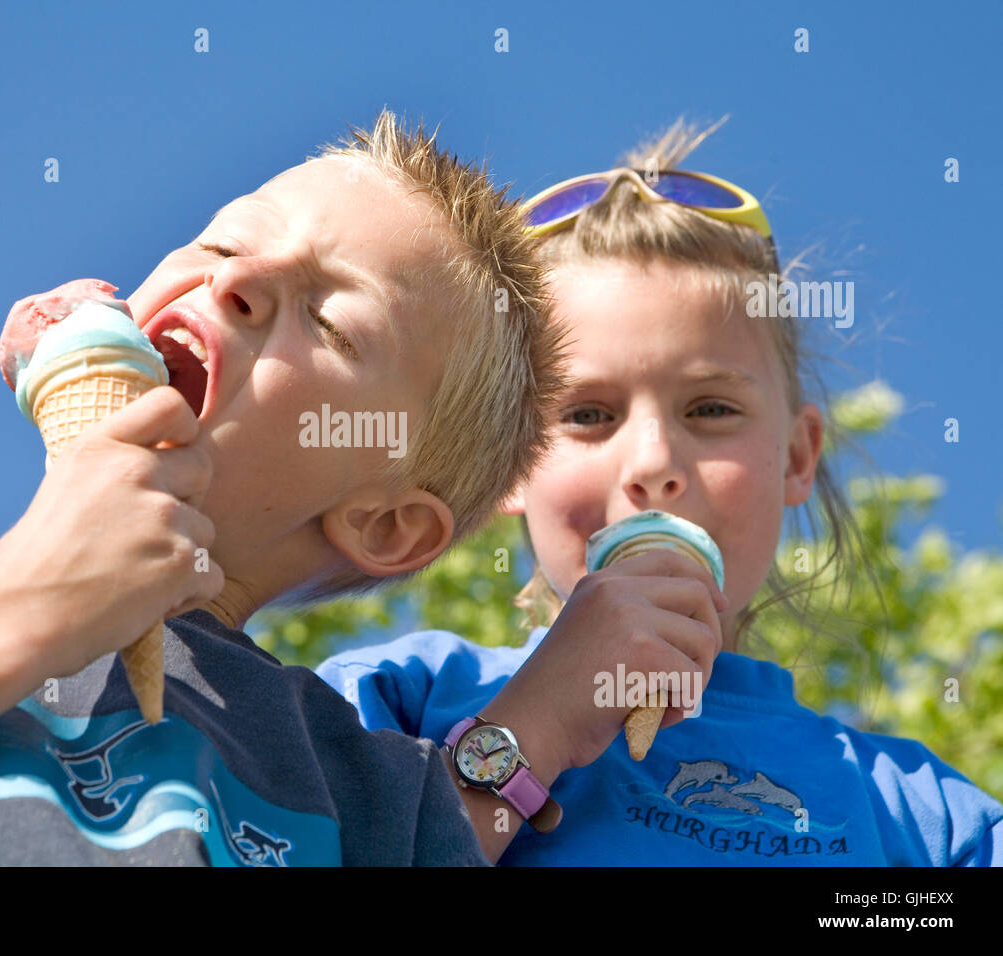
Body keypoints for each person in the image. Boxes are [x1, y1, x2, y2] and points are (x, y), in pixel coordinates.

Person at [0, 110, 567, 866]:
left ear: (383, 523)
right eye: (224, 243)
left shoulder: (385, 806)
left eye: (333, 320)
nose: (236, 279)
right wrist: (20, 612)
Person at [317, 120, 1003, 865]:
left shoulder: (927, 820)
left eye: (711, 410)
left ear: (797, 457)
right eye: (587, 415)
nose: (652, 461)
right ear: (509, 463)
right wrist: (535, 728)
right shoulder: (396, 696)